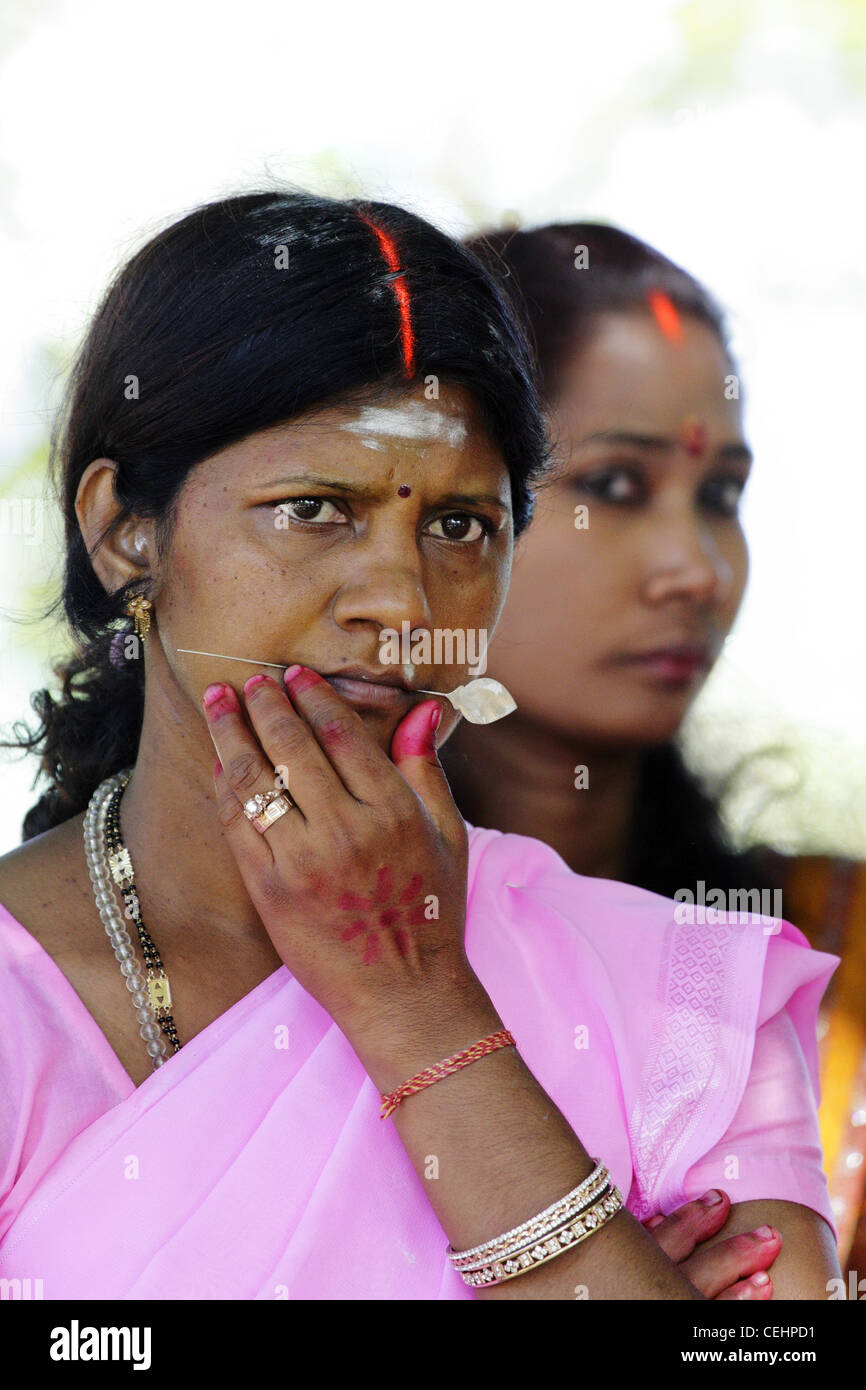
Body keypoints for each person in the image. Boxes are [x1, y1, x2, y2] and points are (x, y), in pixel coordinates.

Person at [0, 190, 840, 1300]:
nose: (403, 603)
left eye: (459, 526)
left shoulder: (687, 996)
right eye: (314, 508)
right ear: (122, 531)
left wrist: (417, 1008)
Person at [441, 220, 866, 1273]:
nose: (695, 571)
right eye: (616, 489)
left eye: (718, 496)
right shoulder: (288, 942)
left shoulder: (823, 950)